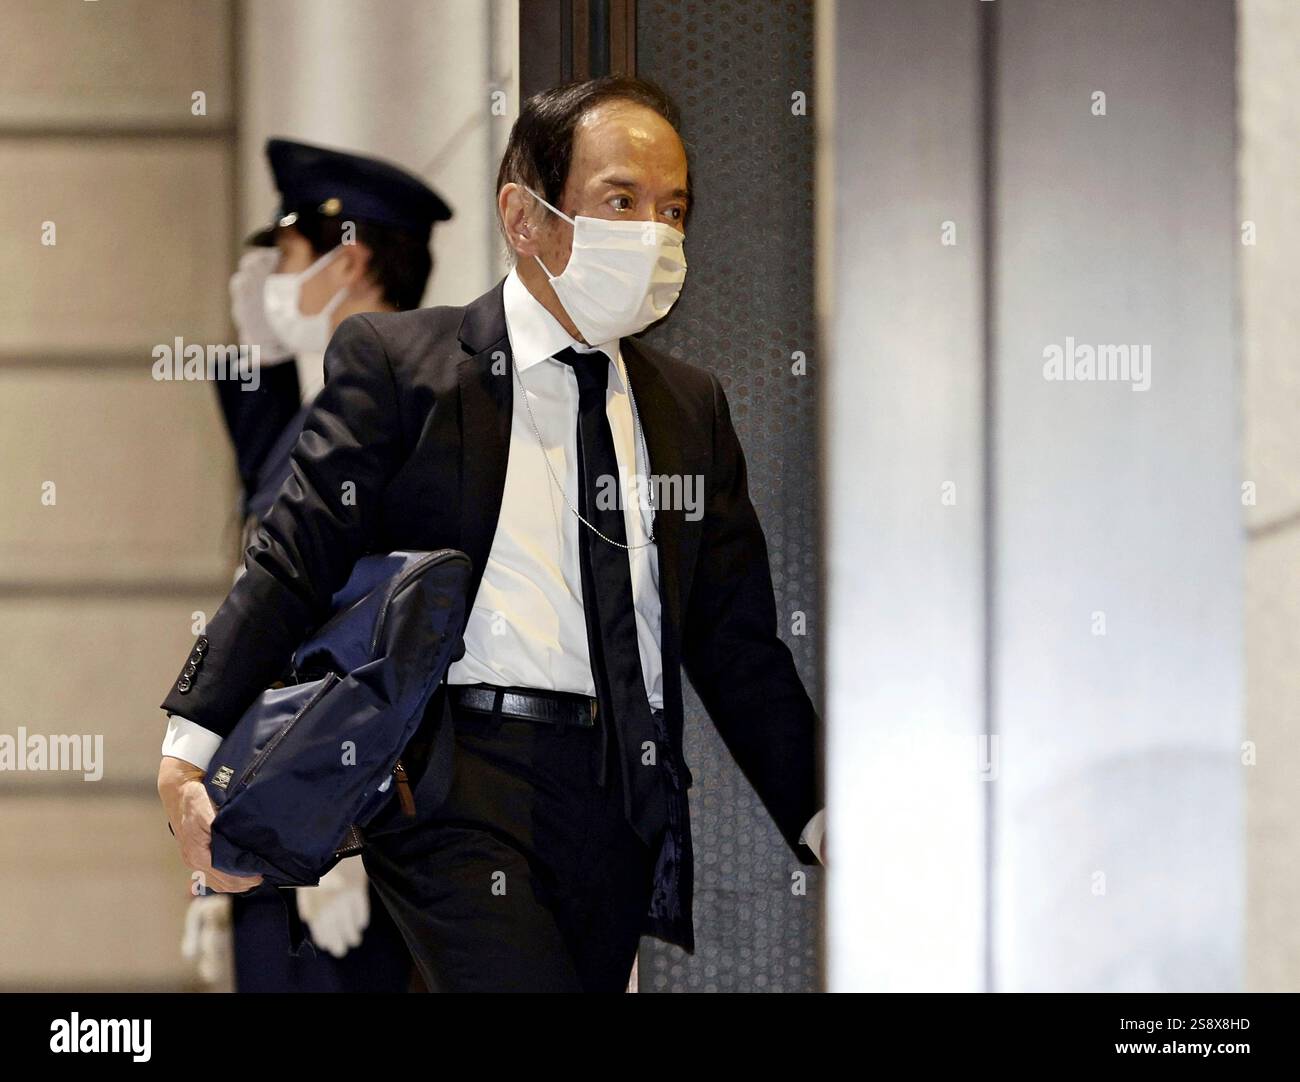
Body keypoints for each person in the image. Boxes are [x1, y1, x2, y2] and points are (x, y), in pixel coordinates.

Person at [157, 76, 825, 993]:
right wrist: (191, 743)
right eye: (621, 201)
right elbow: (294, 552)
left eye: (675, 211)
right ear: (525, 215)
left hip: (617, 793)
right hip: (456, 786)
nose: (657, 236)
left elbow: (736, 643)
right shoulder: (407, 367)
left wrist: (821, 811)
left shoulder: (688, 408)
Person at [178, 137, 452, 992]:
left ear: (349, 260)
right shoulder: (328, 417)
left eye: (288, 259)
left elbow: (378, 637)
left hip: (339, 827)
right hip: (277, 813)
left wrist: (340, 834)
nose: (270, 282)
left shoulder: (393, 420)